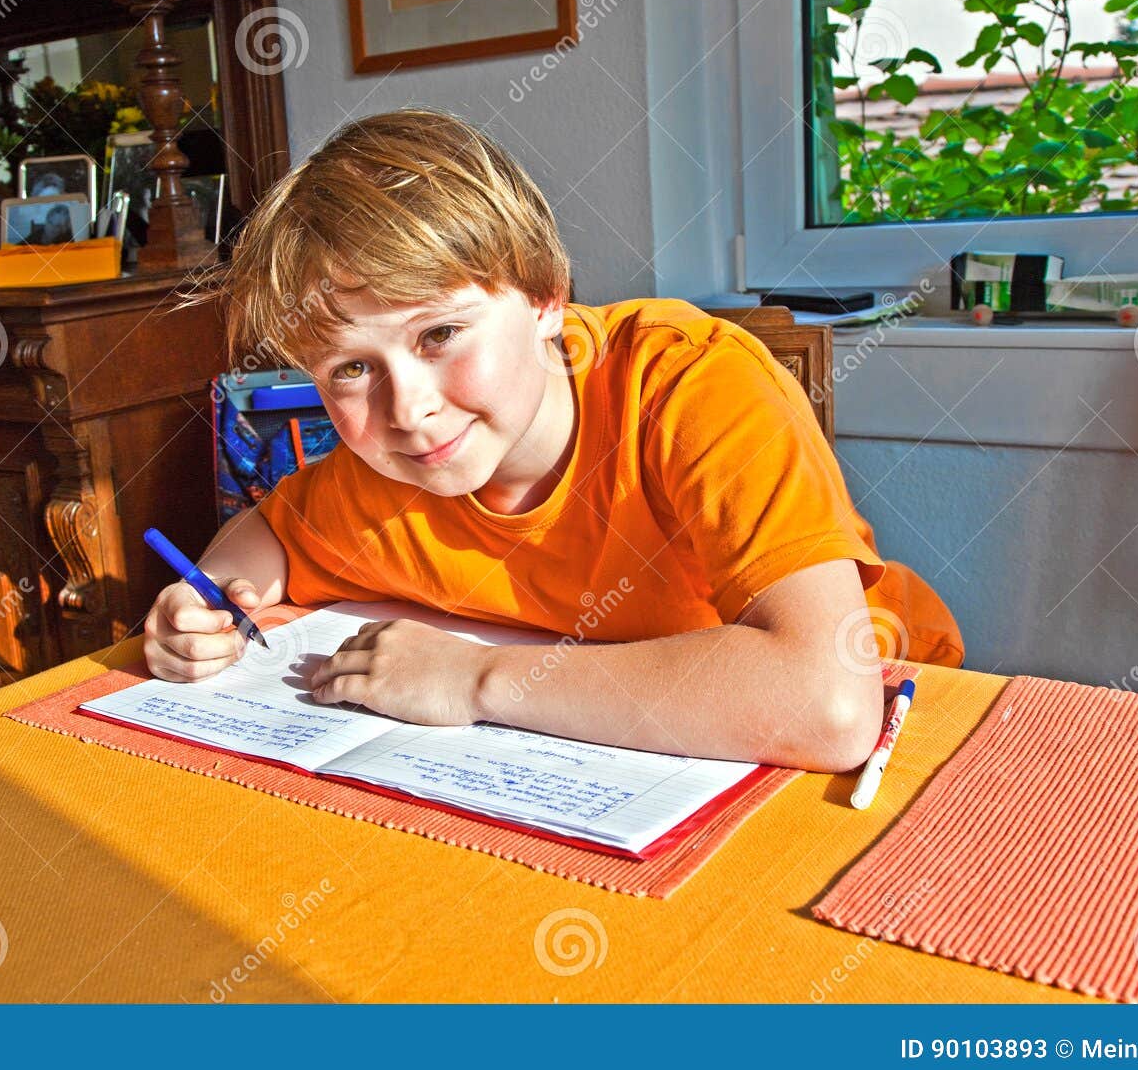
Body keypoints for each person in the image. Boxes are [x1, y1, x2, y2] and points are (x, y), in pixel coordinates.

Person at [143, 109, 964, 772]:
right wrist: (209, 593)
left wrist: (475, 677)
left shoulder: (691, 385)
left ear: (544, 299)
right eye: (351, 369)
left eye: (439, 336)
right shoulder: (392, 470)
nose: (409, 408)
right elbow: (271, 535)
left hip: (898, 718)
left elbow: (825, 704)